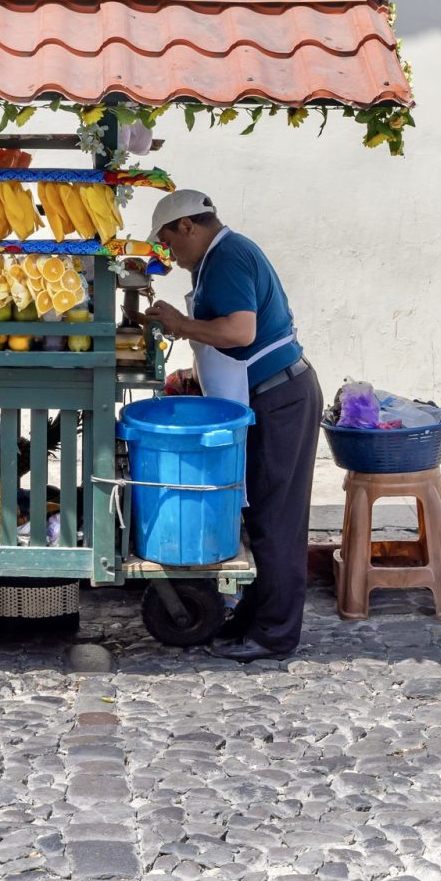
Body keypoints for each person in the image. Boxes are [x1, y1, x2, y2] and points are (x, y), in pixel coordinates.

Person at [141, 189, 322, 662]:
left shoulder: (228, 256)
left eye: (169, 242)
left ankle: (275, 636)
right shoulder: (215, 259)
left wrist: (181, 325)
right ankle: (252, 620)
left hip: (280, 397)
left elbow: (240, 332)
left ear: (188, 227)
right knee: (258, 517)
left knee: (275, 522)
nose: (171, 255)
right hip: (264, 396)